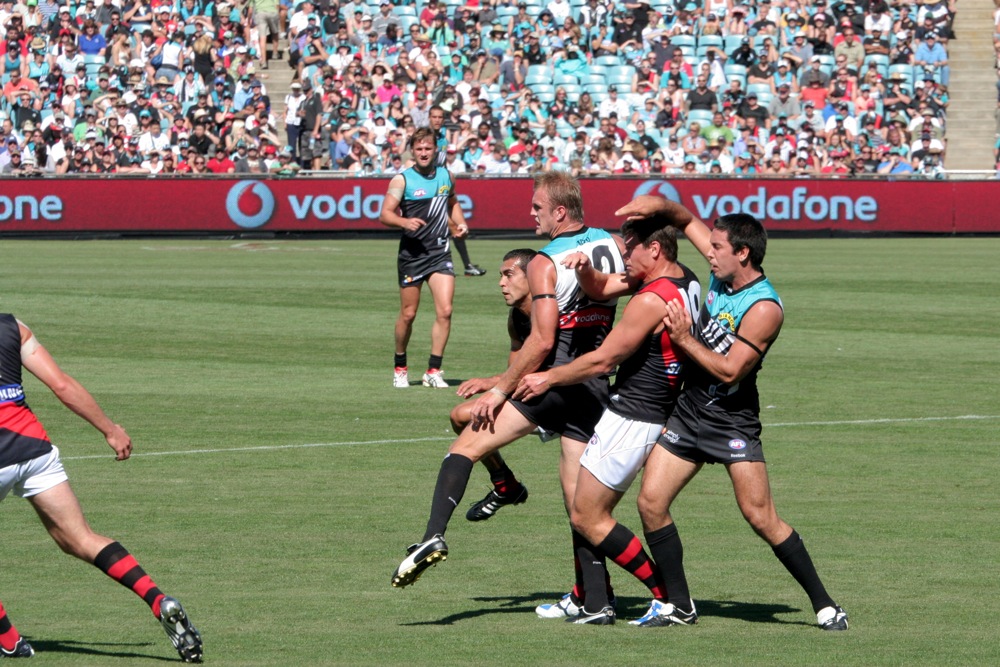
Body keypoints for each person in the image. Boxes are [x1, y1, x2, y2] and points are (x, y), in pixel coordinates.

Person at [612, 195, 849, 632]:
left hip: (731, 420)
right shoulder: (723, 272)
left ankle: (826, 604)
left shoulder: (764, 308)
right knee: (650, 503)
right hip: (688, 413)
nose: (709, 253)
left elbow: (730, 370)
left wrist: (683, 339)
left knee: (760, 516)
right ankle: (680, 605)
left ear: (742, 253)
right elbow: (683, 219)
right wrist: (656, 205)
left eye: (717, 248)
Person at [391, 172, 625, 592]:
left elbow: (543, 339)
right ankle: (596, 599)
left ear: (559, 210)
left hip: (555, 384)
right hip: (594, 385)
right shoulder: (611, 243)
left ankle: (433, 534)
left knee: (465, 441)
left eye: (537, 207)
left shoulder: (544, 260)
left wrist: (499, 390)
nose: (530, 213)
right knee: (580, 509)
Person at [513, 218, 701, 624]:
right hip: (658, 408)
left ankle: (669, 598)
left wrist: (548, 376)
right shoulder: (686, 278)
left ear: (655, 250)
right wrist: (584, 271)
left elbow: (604, 359)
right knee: (622, 508)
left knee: (586, 515)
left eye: (630, 248)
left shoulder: (651, 298)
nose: (623, 255)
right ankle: (597, 599)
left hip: (633, 413)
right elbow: (601, 287)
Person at [0, 315, 203, 661]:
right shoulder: (11, 325)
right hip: (35, 449)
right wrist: (110, 429)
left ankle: (9, 639)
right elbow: (61, 385)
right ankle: (158, 599)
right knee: (79, 538)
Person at [449, 249, 539, 521]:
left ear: (533, 277)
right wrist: (494, 388)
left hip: (566, 397)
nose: (501, 282)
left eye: (508, 275)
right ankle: (505, 484)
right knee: (461, 415)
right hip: (533, 394)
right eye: (500, 275)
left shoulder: (551, 312)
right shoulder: (516, 317)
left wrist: (489, 382)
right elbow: (516, 371)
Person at [379, 127, 470, 390]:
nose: (423, 153)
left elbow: (452, 203)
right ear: (412, 150)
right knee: (408, 314)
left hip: (440, 252)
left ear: (435, 150)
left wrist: (461, 224)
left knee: (446, 310)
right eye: (418, 149)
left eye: (428, 148)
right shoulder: (402, 180)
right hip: (412, 255)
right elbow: (385, 214)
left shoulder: (446, 176)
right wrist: (404, 221)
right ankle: (400, 366)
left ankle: (433, 369)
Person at [427, 105, 485, 277]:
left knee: (459, 227)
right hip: (430, 190)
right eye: (434, 117)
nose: (437, 120)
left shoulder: (443, 139)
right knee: (449, 227)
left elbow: (442, 164)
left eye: (440, 117)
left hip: (443, 188)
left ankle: (467, 265)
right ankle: (442, 265)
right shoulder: (425, 138)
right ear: (429, 118)